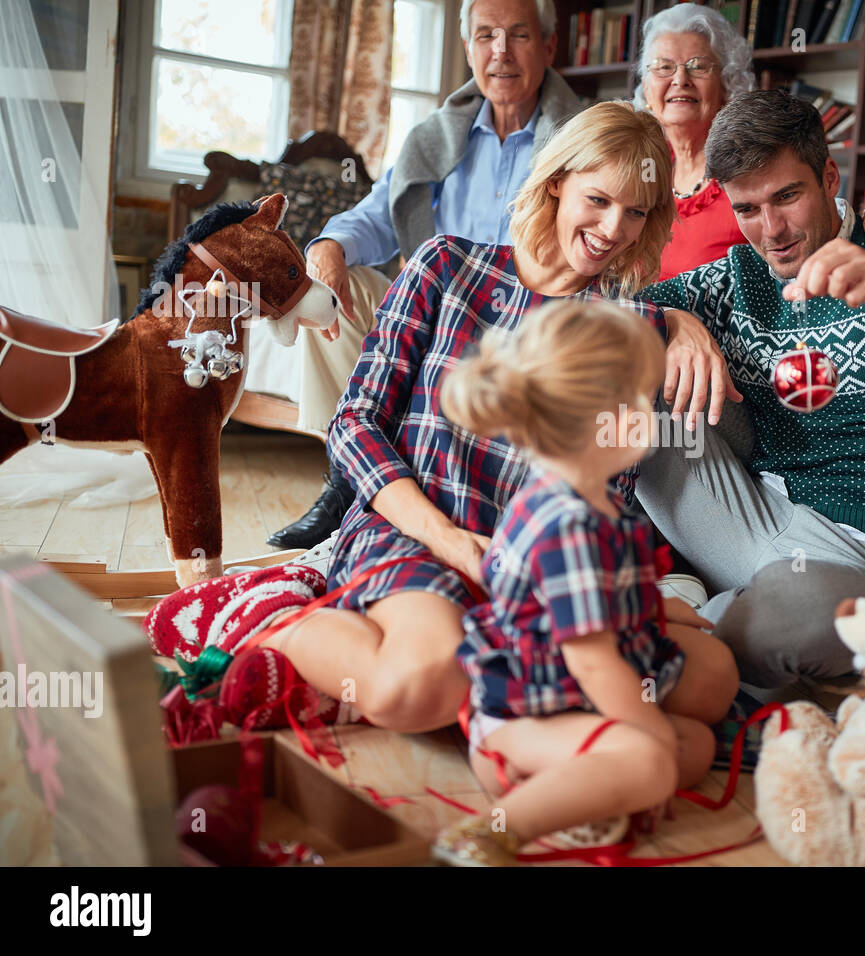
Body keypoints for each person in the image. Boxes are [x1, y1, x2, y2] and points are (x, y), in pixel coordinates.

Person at [149, 102, 735, 737]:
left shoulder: (633, 331)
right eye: (598, 199)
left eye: (636, 211)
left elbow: (603, 495)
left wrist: (624, 599)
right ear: (558, 181)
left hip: (533, 567)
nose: (612, 227)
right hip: (413, 532)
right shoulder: (446, 266)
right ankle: (272, 619)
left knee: (711, 680)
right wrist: (449, 541)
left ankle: (493, 696)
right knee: (420, 685)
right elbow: (357, 423)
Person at [635, 89, 865, 691]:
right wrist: (675, 325)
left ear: (829, 176)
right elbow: (596, 317)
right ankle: (707, 624)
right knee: (623, 369)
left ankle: (688, 632)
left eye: (787, 196)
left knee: (799, 615)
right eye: (748, 209)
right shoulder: (732, 279)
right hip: (756, 518)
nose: (772, 231)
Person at [269, 0, 583, 551]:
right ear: (468, 48)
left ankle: (392, 497)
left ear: (549, 47)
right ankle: (346, 478)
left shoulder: (578, 141)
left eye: (518, 35)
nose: (500, 51)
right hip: (437, 310)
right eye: (485, 35)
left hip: (524, 322)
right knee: (331, 293)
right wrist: (330, 245)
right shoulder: (438, 136)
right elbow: (376, 212)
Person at [432, 299, 736, 866]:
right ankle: (496, 827)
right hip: (529, 716)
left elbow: (608, 599)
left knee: (694, 748)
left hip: (575, 697)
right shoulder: (567, 525)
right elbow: (593, 662)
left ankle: (596, 788)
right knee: (656, 760)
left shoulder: (592, 497)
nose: (655, 412)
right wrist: (648, 731)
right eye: (646, 399)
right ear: (605, 419)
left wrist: (660, 613)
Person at [634, 3, 865, 282]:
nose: (680, 79)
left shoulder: (754, 168)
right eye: (663, 67)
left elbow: (815, 216)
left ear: (728, 84)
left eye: (698, 66)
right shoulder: (640, 169)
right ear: (647, 89)